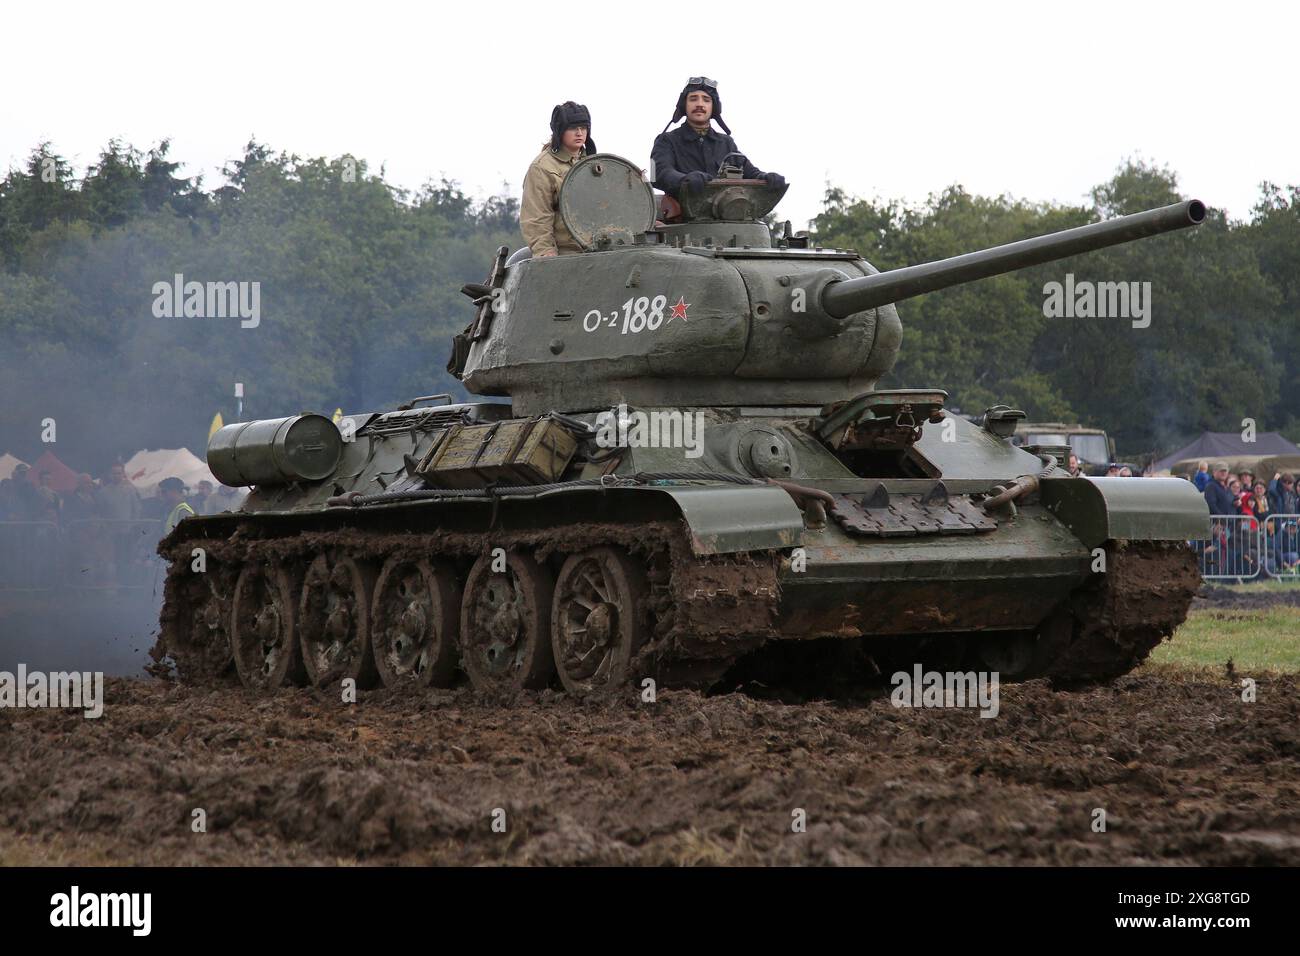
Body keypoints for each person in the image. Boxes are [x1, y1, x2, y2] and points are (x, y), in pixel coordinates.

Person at [650, 77, 784, 199]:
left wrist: (766, 178)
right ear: (684, 105)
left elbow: (749, 171)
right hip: (683, 218)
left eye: (706, 100)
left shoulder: (726, 143)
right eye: (693, 99)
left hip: (726, 214)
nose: (699, 104)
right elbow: (659, 173)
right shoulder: (666, 140)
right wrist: (684, 180)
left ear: (713, 107)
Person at [520, 101, 597, 258]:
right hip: (565, 253)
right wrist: (546, 252)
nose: (579, 133)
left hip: (600, 249)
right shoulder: (542, 167)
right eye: (573, 128)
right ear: (560, 130)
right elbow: (536, 217)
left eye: (583, 128)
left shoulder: (594, 164)